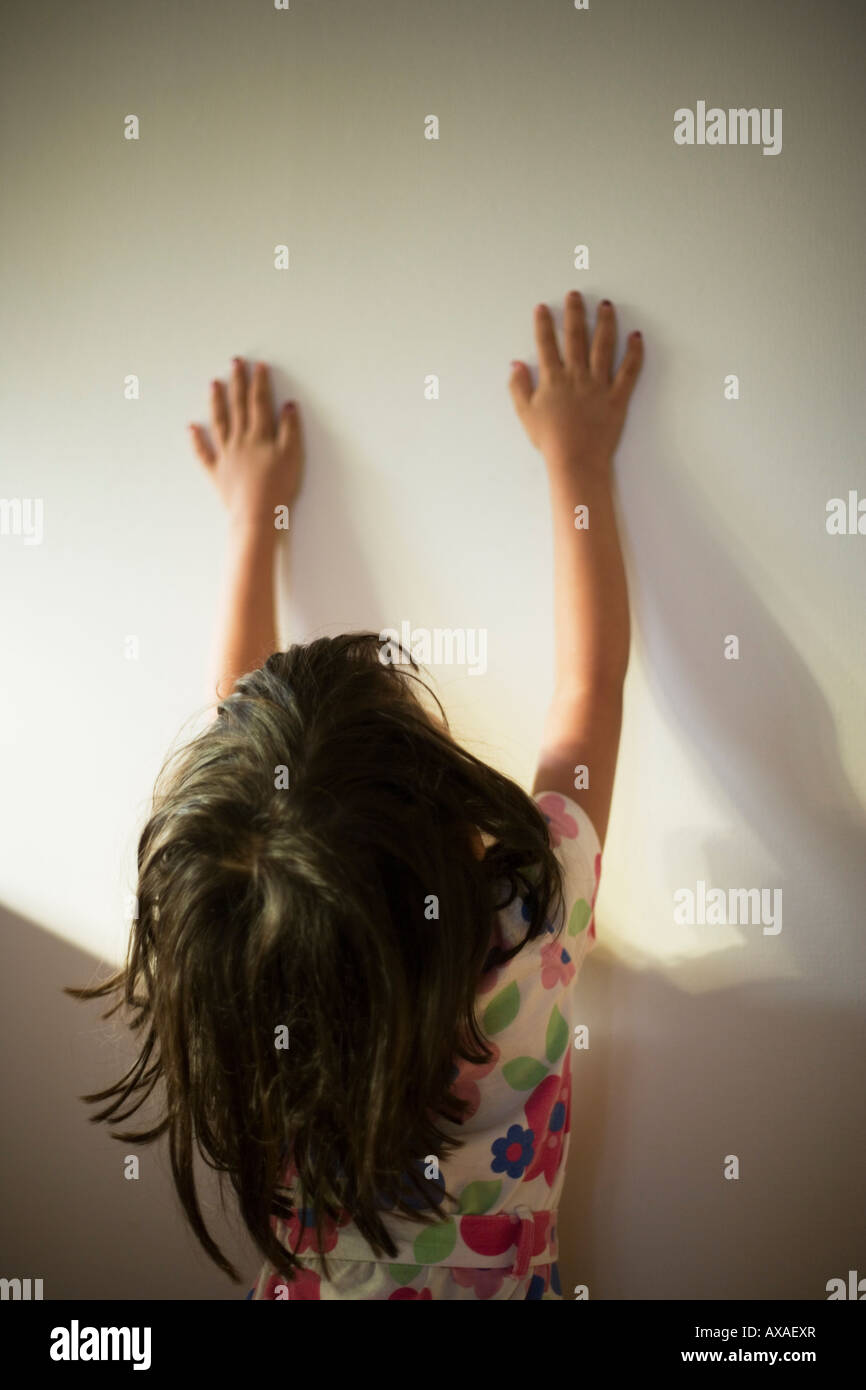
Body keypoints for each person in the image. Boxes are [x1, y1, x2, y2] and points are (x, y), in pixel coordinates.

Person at [67, 293, 643, 1300]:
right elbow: (586, 689)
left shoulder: (242, 989)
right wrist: (580, 464)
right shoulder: (527, 932)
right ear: (448, 802)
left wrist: (253, 517)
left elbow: (256, 810)